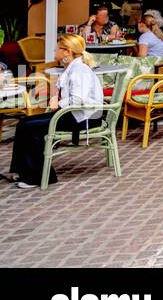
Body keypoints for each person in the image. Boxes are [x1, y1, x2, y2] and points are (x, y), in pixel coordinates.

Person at [7, 34, 103, 189]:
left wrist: (57, 102)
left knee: (30, 127)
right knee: (24, 122)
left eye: (57, 48)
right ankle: (23, 171)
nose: (54, 50)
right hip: (72, 113)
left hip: (84, 117)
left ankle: (37, 177)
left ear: (67, 52)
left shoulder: (80, 70)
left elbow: (78, 100)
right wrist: (56, 99)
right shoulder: (71, 68)